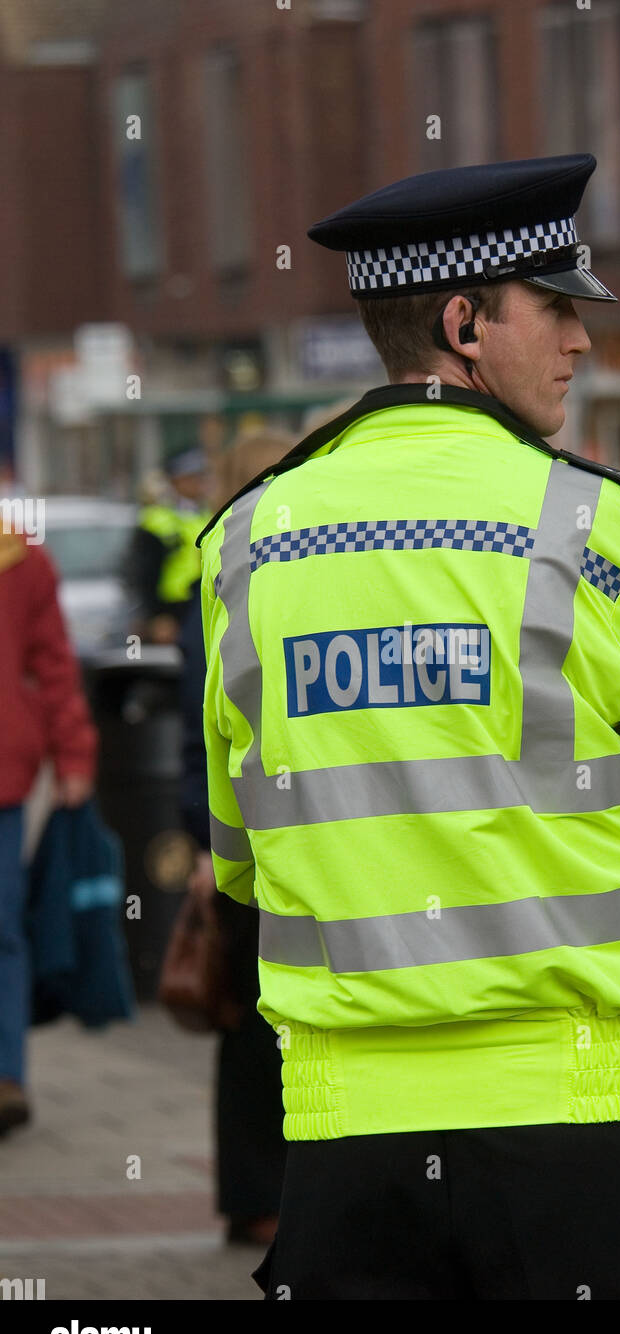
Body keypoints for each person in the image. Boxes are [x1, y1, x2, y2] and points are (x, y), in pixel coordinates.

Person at [197, 154, 620, 1300]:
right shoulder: (605, 534)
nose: (579, 342)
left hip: (340, 1152)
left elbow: (239, 857)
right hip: (576, 1141)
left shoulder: (243, 545)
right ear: (464, 322)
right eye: (557, 308)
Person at [179, 431, 295, 1245]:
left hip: (286, 826)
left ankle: (268, 1197)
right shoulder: (224, 571)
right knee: (253, 1025)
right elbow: (202, 728)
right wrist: (199, 843)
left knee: (270, 1020)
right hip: (246, 832)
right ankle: (255, 1200)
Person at [0, 522, 97, 1135]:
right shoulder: (17, 553)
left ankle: (7, 1078)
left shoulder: (19, 556)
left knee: (4, 930)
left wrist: (74, 755)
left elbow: (53, 663)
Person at [127, 447, 213, 645]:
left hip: (205, 604)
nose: (198, 483)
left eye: (201, 477)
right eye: (191, 477)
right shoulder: (155, 521)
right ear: (175, 481)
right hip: (173, 612)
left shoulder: (209, 513)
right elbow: (143, 576)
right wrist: (156, 617)